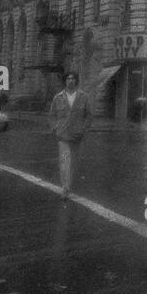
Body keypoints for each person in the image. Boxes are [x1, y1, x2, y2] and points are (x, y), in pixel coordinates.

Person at [49, 70, 94, 199]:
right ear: (65, 81)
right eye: (68, 78)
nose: (70, 81)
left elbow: (89, 116)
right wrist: (55, 128)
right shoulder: (58, 98)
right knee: (64, 162)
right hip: (63, 135)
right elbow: (52, 115)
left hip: (77, 135)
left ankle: (69, 184)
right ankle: (65, 188)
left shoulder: (83, 97)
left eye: (73, 78)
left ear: (76, 81)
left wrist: (83, 128)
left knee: (73, 163)